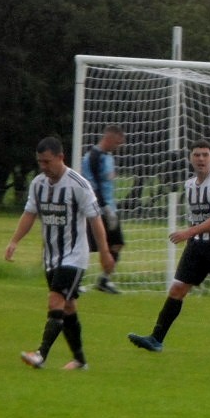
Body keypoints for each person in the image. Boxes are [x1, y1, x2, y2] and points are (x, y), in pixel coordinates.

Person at [128, 139, 210, 355]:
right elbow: (196, 217)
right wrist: (191, 234)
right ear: (191, 158)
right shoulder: (190, 185)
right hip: (196, 246)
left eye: (205, 154)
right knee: (177, 289)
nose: (201, 159)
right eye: (197, 155)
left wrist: (188, 233)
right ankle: (156, 339)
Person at [6, 136, 114, 370]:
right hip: (51, 256)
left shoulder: (78, 184)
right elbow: (29, 214)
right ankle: (80, 360)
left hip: (75, 256)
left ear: (60, 157)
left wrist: (104, 252)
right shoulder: (38, 184)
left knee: (55, 299)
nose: (43, 167)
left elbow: (96, 220)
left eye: (47, 162)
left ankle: (40, 355)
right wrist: (14, 241)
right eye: (40, 162)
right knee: (67, 307)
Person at [81, 123, 126, 294]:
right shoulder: (91, 157)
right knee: (86, 246)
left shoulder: (109, 156)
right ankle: (75, 279)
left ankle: (104, 280)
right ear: (108, 138)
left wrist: (111, 208)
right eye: (117, 143)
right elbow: (90, 185)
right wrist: (104, 206)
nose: (118, 147)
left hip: (110, 210)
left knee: (117, 243)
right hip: (96, 211)